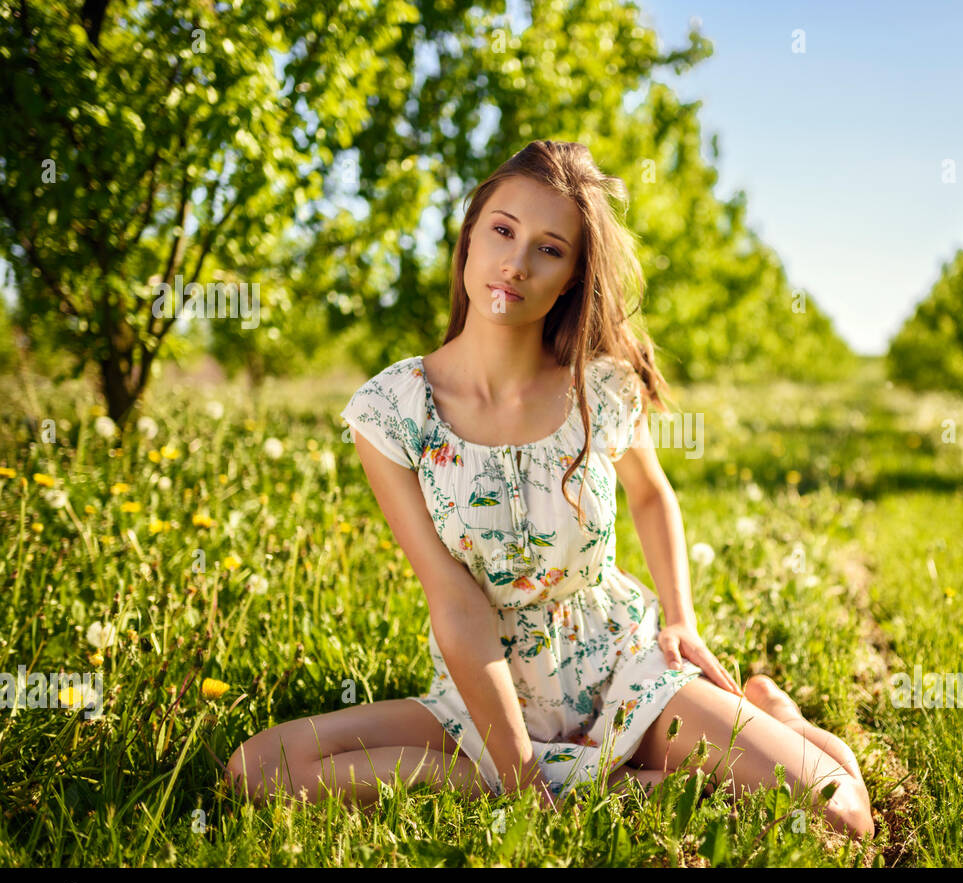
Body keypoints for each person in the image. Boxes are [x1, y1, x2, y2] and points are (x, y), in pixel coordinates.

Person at [224, 140, 874, 841]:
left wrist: (680, 619)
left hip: (625, 672)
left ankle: (775, 721)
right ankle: (571, 784)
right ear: (470, 235)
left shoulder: (597, 385)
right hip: (487, 696)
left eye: (549, 248)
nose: (517, 263)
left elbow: (651, 494)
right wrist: (521, 779)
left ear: (571, 277)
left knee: (841, 814)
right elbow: (454, 599)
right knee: (259, 769)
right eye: (503, 230)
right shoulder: (393, 411)